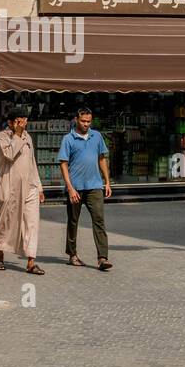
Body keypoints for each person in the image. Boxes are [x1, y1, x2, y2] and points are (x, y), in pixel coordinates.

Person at [58, 106, 113, 271]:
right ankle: (72, 254)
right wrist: (70, 188)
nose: (86, 124)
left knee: (99, 220)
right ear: (76, 119)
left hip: (95, 186)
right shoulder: (68, 139)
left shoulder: (97, 136)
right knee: (73, 221)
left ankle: (102, 258)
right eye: (83, 121)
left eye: (89, 121)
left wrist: (107, 182)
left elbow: (102, 159)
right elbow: (63, 163)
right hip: (75, 187)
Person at [0, 106, 45, 274]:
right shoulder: (2, 137)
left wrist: (39, 186)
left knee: (32, 223)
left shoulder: (28, 137)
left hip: (30, 187)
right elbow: (9, 154)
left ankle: (31, 261)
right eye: (19, 121)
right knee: (5, 222)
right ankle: (0, 256)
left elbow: (32, 163)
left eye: (25, 120)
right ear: (11, 122)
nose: (23, 124)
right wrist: (17, 134)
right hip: (9, 186)